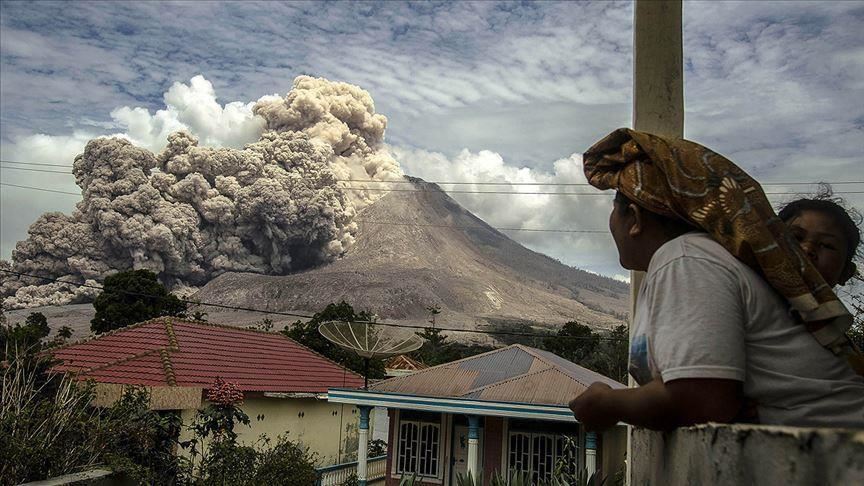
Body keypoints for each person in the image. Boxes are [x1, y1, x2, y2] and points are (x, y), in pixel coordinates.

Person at [568, 128, 864, 431]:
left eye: (613, 211)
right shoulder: (686, 264)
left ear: (634, 217)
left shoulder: (686, 258)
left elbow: (699, 400)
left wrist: (607, 402)